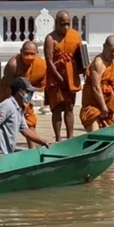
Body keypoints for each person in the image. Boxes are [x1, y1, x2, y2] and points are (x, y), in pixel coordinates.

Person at [0, 78, 51, 162]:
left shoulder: (19, 109)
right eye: (28, 92)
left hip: (8, 154)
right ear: (20, 92)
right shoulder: (7, 105)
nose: (30, 95)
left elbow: (24, 129)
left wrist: (42, 141)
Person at [43, 10, 83, 142]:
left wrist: (82, 70)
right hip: (55, 78)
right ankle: (58, 138)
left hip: (70, 78)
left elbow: (81, 55)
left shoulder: (75, 35)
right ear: (56, 23)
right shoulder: (50, 39)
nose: (65, 27)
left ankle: (70, 137)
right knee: (57, 109)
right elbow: (49, 62)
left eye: (68, 24)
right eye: (62, 24)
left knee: (69, 107)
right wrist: (60, 79)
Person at [1, 40, 47, 138]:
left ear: (37, 54)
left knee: (30, 121)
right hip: (8, 95)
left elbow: (38, 85)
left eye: (32, 54)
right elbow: (8, 88)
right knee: (5, 121)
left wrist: (26, 102)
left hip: (26, 96)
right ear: (21, 52)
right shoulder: (13, 65)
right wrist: (15, 107)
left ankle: (33, 150)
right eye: (26, 53)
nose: (29, 57)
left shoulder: (41, 65)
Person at [80, 35, 114, 131]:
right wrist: (103, 107)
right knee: (95, 134)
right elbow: (96, 87)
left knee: (111, 134)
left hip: (109, 106)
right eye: (112, 50)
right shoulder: (98, 63)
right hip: (93, 105)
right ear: (104, 46)